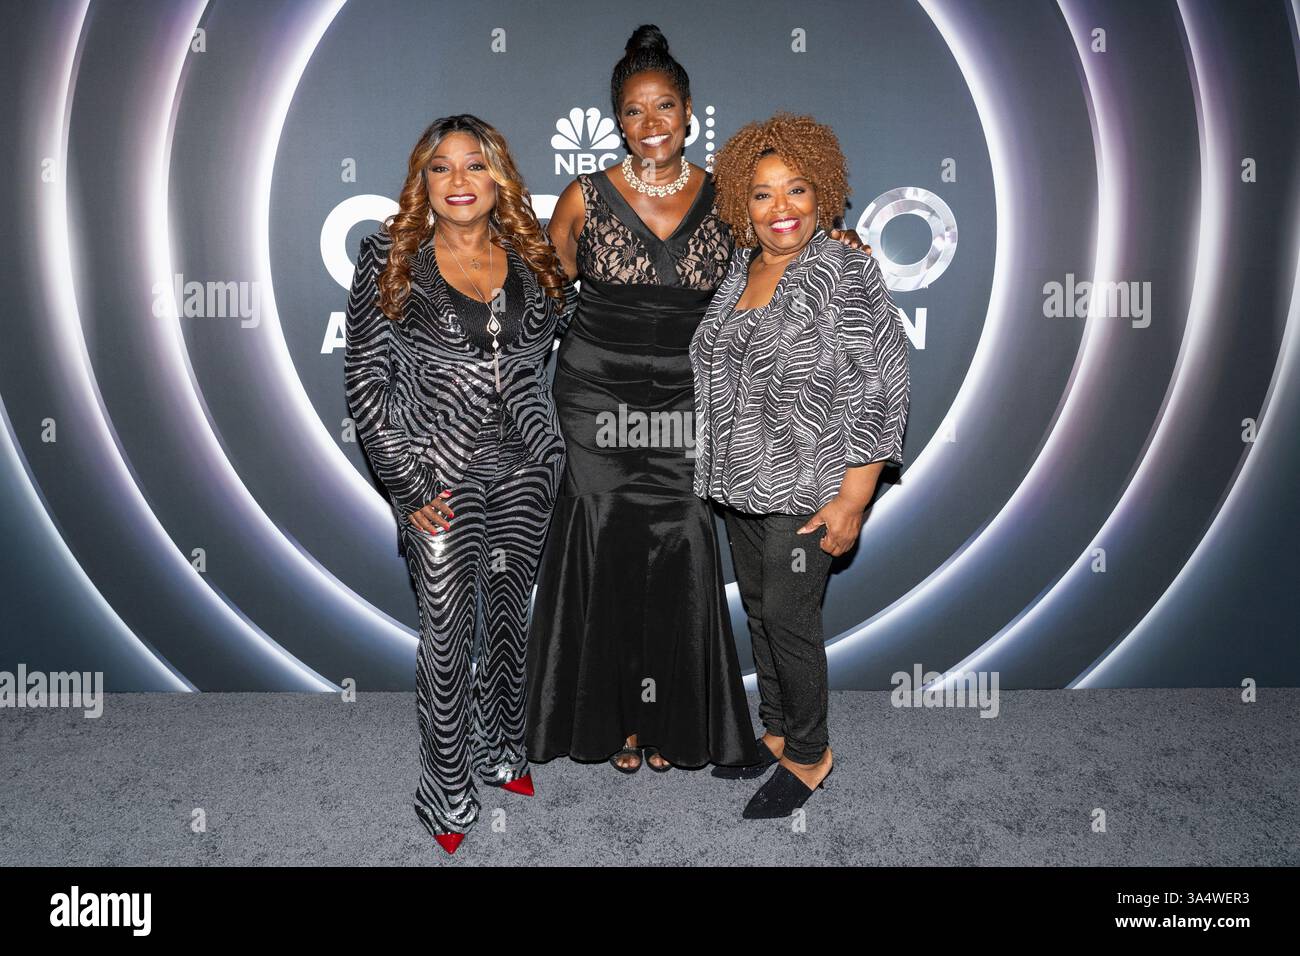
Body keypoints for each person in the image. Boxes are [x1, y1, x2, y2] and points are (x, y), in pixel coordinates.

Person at [525, 25, 867, 775]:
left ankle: (668, 720)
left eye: (666, 107)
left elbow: (784, 245)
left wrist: (842, 242)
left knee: (679, 542)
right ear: (619, 120)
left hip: (687, 396)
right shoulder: (583, 197)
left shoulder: (726, 198)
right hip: (594, 392)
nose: (652, 124)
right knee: (605, 537)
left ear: (689, 112)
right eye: (635, 112)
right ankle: (614, 723)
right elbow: (544, 292)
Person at [344, 114, 575, 854]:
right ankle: (444, 791)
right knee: (446, 635)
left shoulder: (535, 257)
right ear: (423, 181)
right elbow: (366, 386)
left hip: (526, 472)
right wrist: (408, 488)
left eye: (474, 166)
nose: (458, 182)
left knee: (509, 621)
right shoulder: (390, 256)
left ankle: (501, 749)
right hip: (435, 475)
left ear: (498, 176)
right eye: (440, 168)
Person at [691, 113, 911, 817]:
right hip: (741, 484)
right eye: (761, 194)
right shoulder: (738, 272)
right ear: (739, 203)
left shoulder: (843, 268)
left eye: (796, 190)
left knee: (788, 615)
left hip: (811, 487)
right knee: (759, 610)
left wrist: (854, 500)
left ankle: (812, 755)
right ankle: (778, 731)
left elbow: (880, 383)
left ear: (824, 195)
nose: (780, 208)